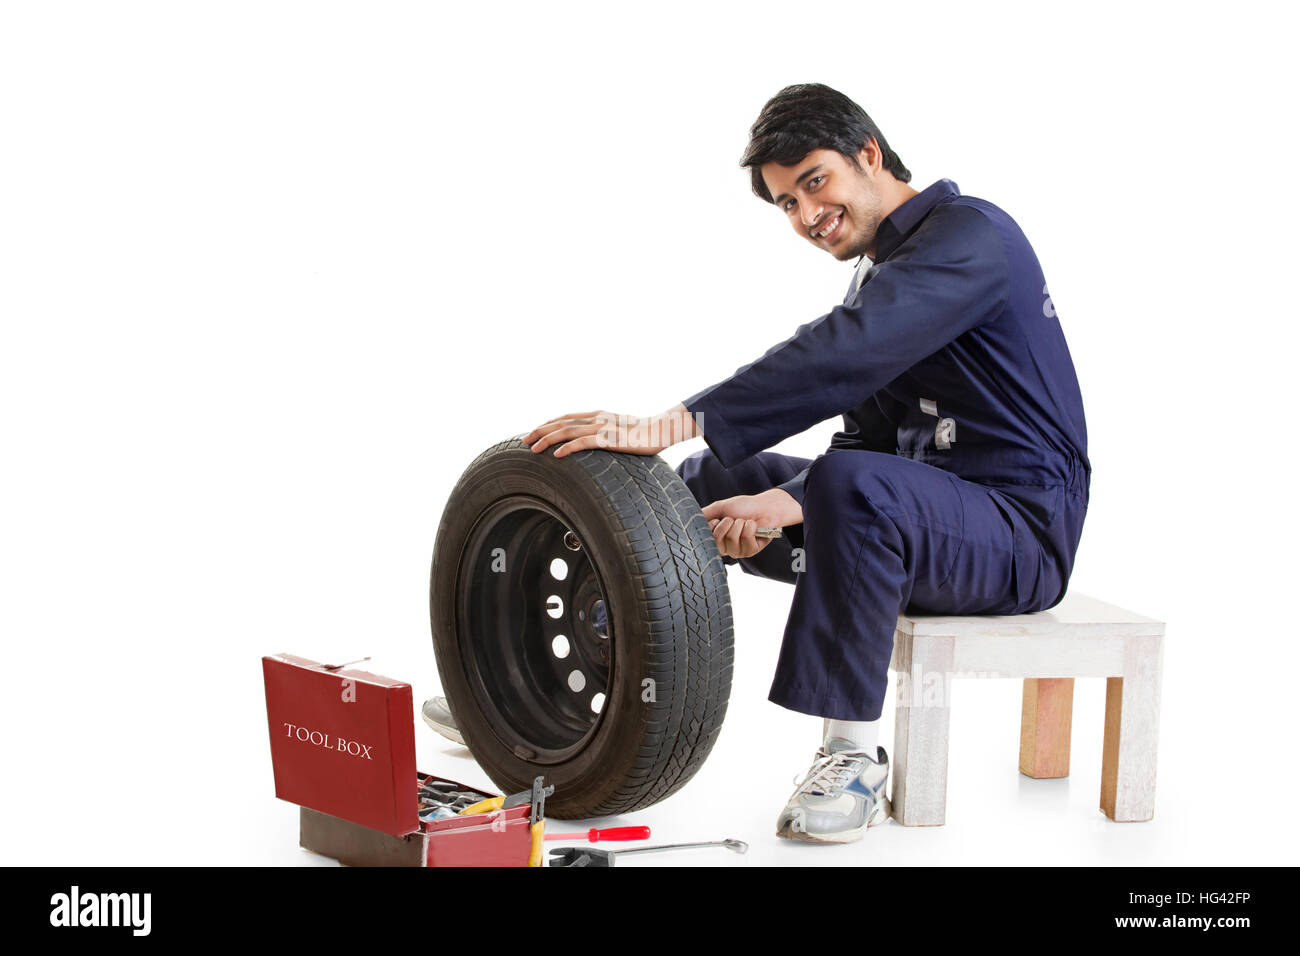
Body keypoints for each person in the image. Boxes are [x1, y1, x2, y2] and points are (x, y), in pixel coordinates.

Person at [496, 83, 1089, 844]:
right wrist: (787, 500)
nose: (807, 215)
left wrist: (678, 421)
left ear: (868, 154)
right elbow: (864, 447)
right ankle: (549, 684)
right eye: (784, 203)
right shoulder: (880, 272)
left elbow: (844, 354)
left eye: (815, 181)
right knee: (708, 485)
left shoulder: (973, 238)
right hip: (916, 518)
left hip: (1017, 536)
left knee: (836, 486)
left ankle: (850, 755)